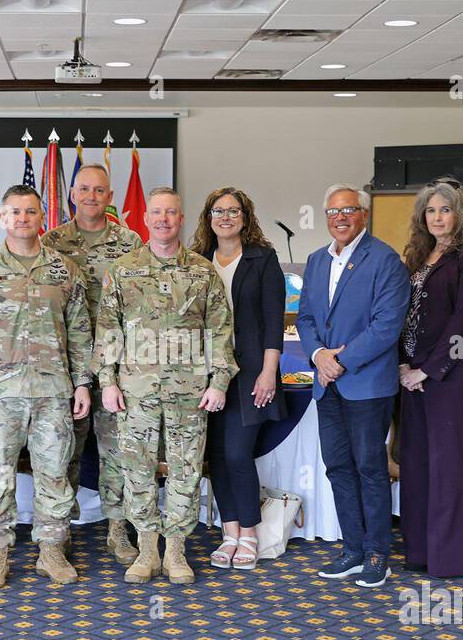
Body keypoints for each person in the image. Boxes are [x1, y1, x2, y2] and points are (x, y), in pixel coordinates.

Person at [0, 185, 93, 590]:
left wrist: (82, 384)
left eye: (31, 212)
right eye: (15, 213)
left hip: (53, 393)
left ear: (41, 216)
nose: (23, 219)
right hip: (0, 394)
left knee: (55, 474)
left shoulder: (64, 270)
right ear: (2, 218)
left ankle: (51, 551)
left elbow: (81, 333)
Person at [95, 187, 237, 585]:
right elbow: (108, 329)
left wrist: (219, 381)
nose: (163, 220)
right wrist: (107, 381)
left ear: (181, 218)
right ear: (146, 219)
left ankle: (175, 550)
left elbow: (220, 329)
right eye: (156, 213)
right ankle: (146, 550)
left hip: (189, 393)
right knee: (136, 470)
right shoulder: (122, 270)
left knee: (185, 471)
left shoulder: (201, 270)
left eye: (171, 213)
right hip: (135, 393)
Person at [296, 185, 410, 588]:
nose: (339, 218)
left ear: (364, 213)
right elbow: (306, 317)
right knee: (338, 468)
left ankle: (379, 553)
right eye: (332, 212)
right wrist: (318, 357)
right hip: (327, 385)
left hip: (366, 386)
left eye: (348, 210)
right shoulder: (315, 260)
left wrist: (338, 360)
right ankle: (354, 549)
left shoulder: (385, 261)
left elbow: (386, 326)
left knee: (370, 469)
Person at [45, 164, 143, 564]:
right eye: (83, 189)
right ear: (72, 193)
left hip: (115, 366)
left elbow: (138, 303)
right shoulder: (51, 242)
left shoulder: (130, 241)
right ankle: (59, 530)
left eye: (99, 190)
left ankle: (117, 530)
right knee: (63, 451)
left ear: (110, 195)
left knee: (116, 451)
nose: (91, 196)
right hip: (65, 366)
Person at [396, 179, 463, 578]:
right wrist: (404, 365)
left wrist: (430, 370)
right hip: (413, 375)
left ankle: (450, 559)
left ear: (460, 214)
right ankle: (419, 552)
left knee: (449, 467)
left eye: (445, 210)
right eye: (431, 210)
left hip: (452, 375)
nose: (437, 217)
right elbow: (403, 314)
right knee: (415, 464)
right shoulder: (419, 255)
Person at [191, 186, 284, 570]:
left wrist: (268, 372)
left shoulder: (263, 259)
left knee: (237, 454)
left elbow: (273, 321)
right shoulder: (196, 260)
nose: (225, 217)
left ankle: (250, 532)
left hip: (249, 374)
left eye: (233, 211)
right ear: (208, 218)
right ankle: (229, 532)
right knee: (215, 456)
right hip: (205, 373)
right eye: (218, 211)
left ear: (245, 217)